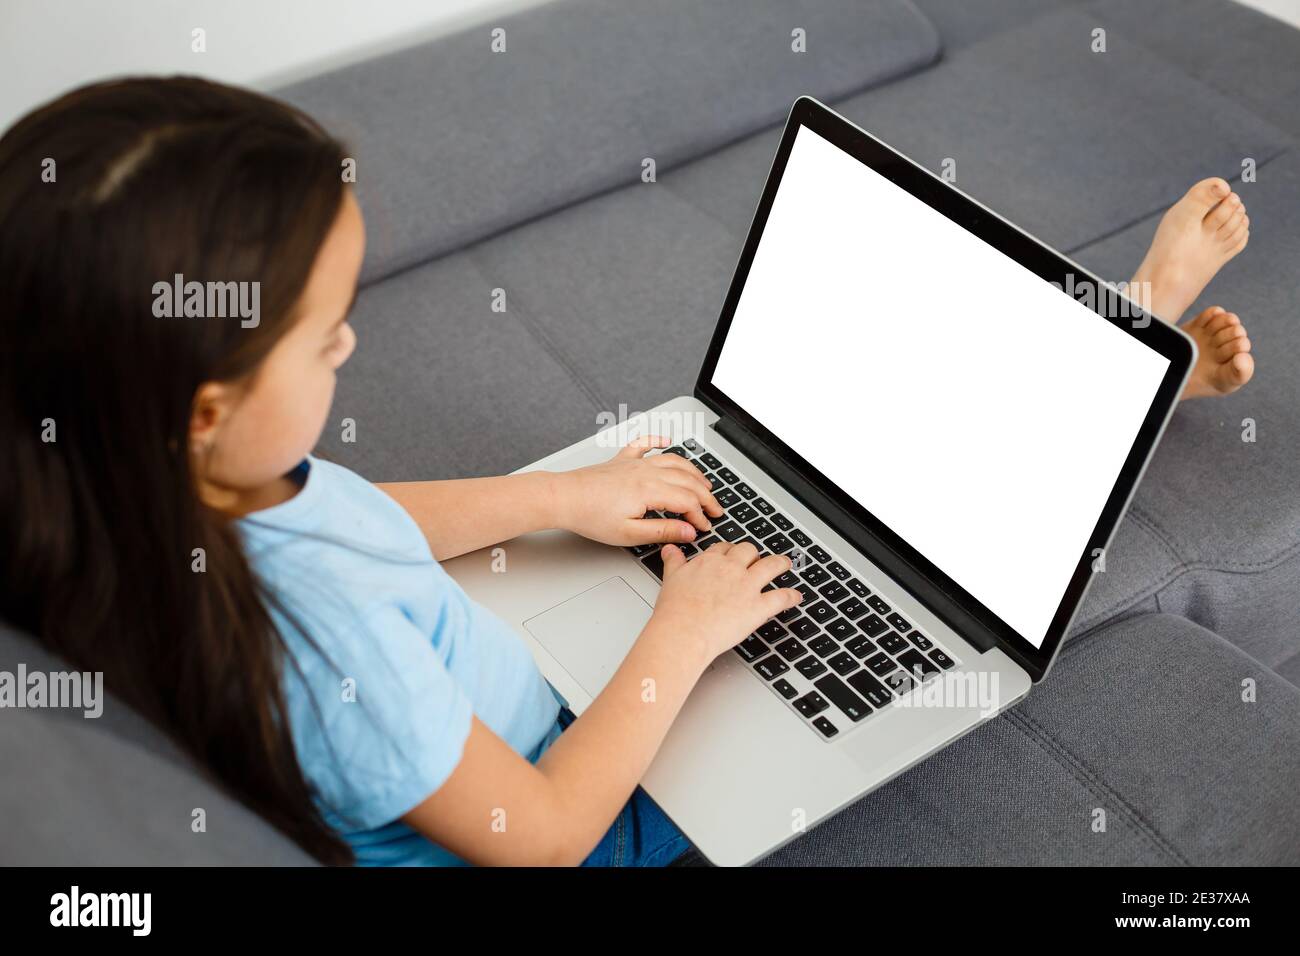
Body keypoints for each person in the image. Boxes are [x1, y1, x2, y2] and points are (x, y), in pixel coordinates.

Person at [0, 77, 1255, 867]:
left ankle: (1125, 360)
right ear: (204, 408)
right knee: (971, 534)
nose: (350, 345)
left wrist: (563, 497)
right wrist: (681, 632)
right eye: (327, 334)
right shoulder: (324, 647)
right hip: (587, 798)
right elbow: (543, 835)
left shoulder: (166, 490)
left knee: (838, 450)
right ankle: (1128, 346)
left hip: (502, 691)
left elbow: (356, 514)